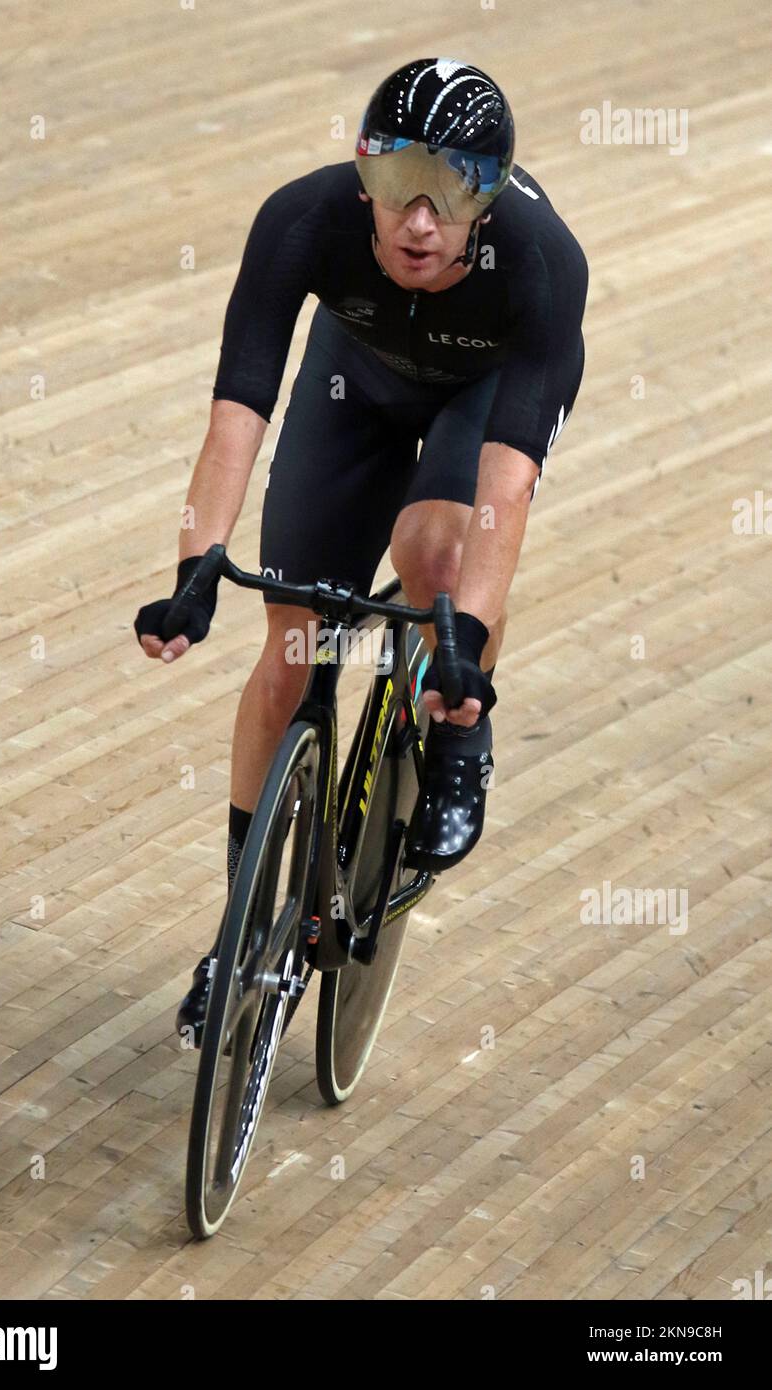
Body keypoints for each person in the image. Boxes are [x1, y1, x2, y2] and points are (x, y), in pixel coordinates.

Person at [134, 57, 588, 1041]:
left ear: (490, 200)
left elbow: (504, 494)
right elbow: (236, 414)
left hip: (483, 395)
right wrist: (194, 566)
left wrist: (463, 632)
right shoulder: (303, 220)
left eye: (450, 192)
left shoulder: (542, 265)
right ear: (361, 175)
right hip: (358, 383)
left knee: (434, 559)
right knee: (288, 655)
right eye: (393, 186)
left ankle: (460, 730)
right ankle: (243, 931)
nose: (417, 220)